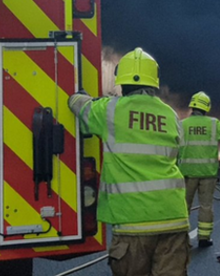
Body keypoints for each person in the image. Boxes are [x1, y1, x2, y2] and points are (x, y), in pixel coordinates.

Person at [68, 48, 189, 276]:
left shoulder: (110, 110)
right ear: (154, 82)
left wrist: (78, 94)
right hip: (173, 217)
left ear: (121, 83)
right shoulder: (171, 114)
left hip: (133, 223)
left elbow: (78, 105)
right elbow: (177, 156)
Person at [178, 91, 220, 247]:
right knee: (206, 206)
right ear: (206, 107)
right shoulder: (213, 123)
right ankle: (204, 238)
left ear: (192, 106)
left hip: (186, 173)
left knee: (183, 207)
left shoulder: (182, 125)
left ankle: (181, 239)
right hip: (207, 174)